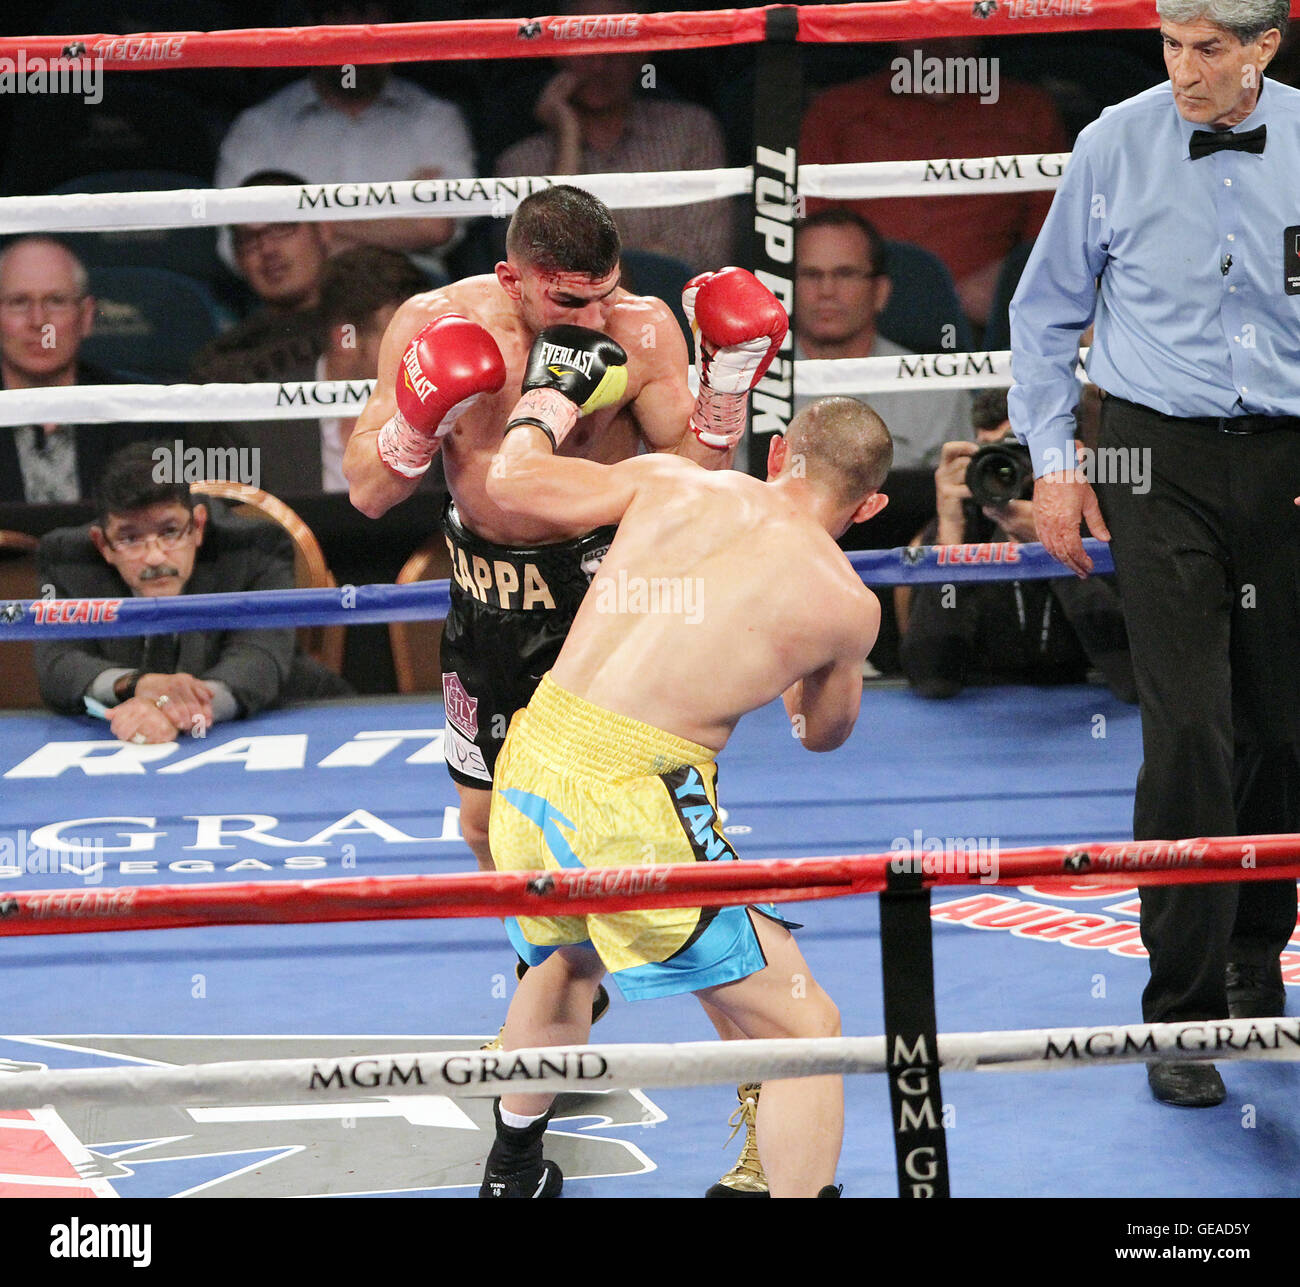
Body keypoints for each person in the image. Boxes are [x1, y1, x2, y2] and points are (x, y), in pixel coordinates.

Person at [344, 181, 786, 1189]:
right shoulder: (436, 324)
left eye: (604, 296)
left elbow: (697, 470)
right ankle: (548, 985)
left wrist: (724, 386)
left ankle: (561, 996)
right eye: (567, 304)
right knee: (487, 832)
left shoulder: (640, 327)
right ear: (512, 278)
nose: (591, 323)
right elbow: (370, 489)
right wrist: (417, 422)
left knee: (636, 838)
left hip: (611, 603)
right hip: (488, 606)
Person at [472, 380, 889, 1199]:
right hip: (632, 794)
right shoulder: (847, 603)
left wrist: (546, 399)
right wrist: (806, 664)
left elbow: (510, 480)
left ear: (778, 454)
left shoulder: (672, 478)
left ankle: (511, 1173)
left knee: (566, 957)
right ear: (869, 506)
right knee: (809, 1025)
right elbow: (822, 734)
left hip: (532, 751)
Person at [1008, 0, 1298, 1108]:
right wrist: (1053, 460)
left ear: (1262, 48)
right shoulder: (1112, 144)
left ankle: (1249, 960)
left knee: (1279, 726)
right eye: (1171, 45)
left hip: (1287, 455)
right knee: (1186, 728)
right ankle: (1176, 1013)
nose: (1184, 69)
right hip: (1153, 457)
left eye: (1209, 49)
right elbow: (1043, 317)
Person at [34, 442, 349, 742]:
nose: (155, 557)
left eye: (170, 531)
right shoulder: (67, 560)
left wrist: (173, 710)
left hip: (285, 723)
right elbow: (57, 664)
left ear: (198, 526)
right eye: (130, 539)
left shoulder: (255, 548)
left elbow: (259, 659)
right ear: (103, 544)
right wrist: (138, 686)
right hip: (127, 736)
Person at [799, 38, 1070, 327]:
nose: (938, 37)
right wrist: (863, 288)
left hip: (997, 321)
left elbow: (1054, 228)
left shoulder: (1030, 110)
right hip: (859, 320)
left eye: (950, 15)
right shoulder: (836, 110)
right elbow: (810, 226)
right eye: (924, 16)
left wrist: (1011, 280)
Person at [899, 388, 1136, 702]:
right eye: (989, 451)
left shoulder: (1106, 524)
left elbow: (1132, 679)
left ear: (1069, 452)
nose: (1005, 465)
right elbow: (932, 678)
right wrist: (951, 541)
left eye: (1018, 448)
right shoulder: (963, 521)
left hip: (1084, 712)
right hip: (979, 721)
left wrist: (1055, 548)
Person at [214, 1, 475, 279]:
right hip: (302, 295)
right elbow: (235, 245)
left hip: (411, 287)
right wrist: (400, 223)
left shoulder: (436, 118)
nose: (351, 33)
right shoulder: (259, 126)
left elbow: (435, 229)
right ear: (311, 30)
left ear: (394, 29)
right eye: (336, 12)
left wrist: (307, 225)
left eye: (363, 14)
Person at [494, 0, 733, 273]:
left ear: (642, 53)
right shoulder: (520, 161)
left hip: (672, 308)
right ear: (556, 51)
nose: (599, 64)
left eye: (615, 45)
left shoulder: (691, 130)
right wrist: (568, 140)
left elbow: (705, 254)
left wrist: (586, 264)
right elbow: (538, 266)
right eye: (584, 45)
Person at [194, 245, 430, 498]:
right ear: (346, 338)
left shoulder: (442, 412)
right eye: (400, 335)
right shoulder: (257, 424)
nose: (419, 349)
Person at [793, 209, 972, 468]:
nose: (827, 291)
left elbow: (962, 500)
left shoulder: (936, 390)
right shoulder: (749, 387)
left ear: (880, 291)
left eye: (845, 274)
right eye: (811, 274)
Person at [0, 237, 149, 503]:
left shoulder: (140, 414)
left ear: (87, 316)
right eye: (19, 302)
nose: (39, 322)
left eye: (56, 301)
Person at [190, 171, 333, 390]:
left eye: (281, 228)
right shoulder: (219, 362)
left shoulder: (376, 324)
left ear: (322, 230)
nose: (267, 249)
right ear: (237, 257)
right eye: (249, 239)